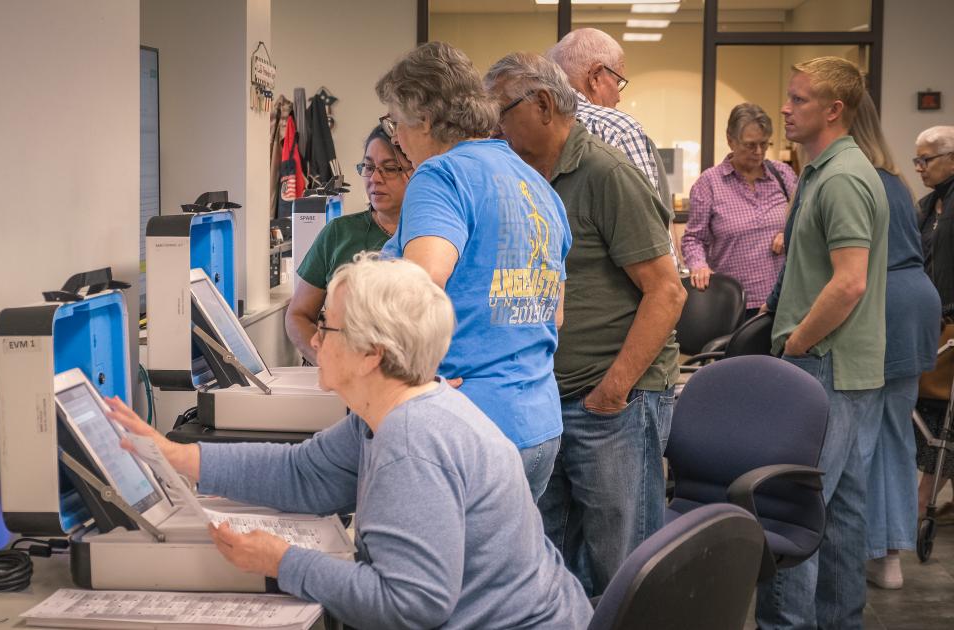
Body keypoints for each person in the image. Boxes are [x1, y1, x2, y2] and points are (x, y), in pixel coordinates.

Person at [107, 255, 593, 630]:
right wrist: (176, 456)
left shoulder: (411, 441)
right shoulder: (397, 410)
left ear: (370, 355)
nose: (315, 340)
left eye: (327, 326)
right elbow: (303, 475)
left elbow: (410, 604)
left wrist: (282, 562)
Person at [483, 51, 685, 597]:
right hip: (548, 400)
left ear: (544, 104)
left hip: (611, 399)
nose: (493, 127)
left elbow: (666, 291)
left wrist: (613, 388)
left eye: (500, 112)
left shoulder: (605, 173)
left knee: (622, 563)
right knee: (550, 559)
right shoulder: (521, 176)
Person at [375, 42, 571, 502]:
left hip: (468, 425)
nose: (397, 139)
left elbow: (417, 288)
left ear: (423, 118)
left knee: (437, 573)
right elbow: (554, 315)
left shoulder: (441, 176)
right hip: (538, 425)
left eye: (395, 123)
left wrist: (407, 379)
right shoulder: (537, 184)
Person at [756, 57, 889, 630]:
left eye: (799, 100)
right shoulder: (826, 171)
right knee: (839, 516)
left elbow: (850, 281)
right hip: (846, 370)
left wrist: (796, 346)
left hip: (827, 367)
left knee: (795, 513)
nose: (785, 108)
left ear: (835, 110)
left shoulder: (841, 177)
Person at [848, 94, 942, 590]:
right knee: (895, 435)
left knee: (863, 438)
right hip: (914, 303)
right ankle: (888, 557)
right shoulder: (896, 180)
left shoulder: (852, 179)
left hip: (884, 305)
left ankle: (863, 551)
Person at [285, 126, 412, 363]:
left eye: (390, 168)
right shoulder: (338, 233)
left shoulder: (432, 239)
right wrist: (330, 362)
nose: (375, 178)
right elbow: (298, 316)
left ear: (416, 171)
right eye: (369, 167)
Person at [682, 103, 797, 319]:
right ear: (730, 140)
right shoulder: (709, 184)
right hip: (734, 306)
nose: (759, 152)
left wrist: (789, 233)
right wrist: (699, 265)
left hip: (781, 302)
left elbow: (806, 222)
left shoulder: (783, 175)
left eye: (764, 143)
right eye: (750, 145)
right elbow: (693, 239)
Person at [546, 28, 659, 192]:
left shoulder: (529, 125)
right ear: (595, 76)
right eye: (618, 82)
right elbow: (645, 214)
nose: (618, 97)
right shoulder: (619, 129)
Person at [914, 124, 954, 523]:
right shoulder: (926, 206)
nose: (919, 167)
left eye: (926, 159)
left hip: (952, 324)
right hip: (931, 325)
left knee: (946, 420)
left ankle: (922, 503)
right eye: (917, 160)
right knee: (930, 413)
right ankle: (924, 500)